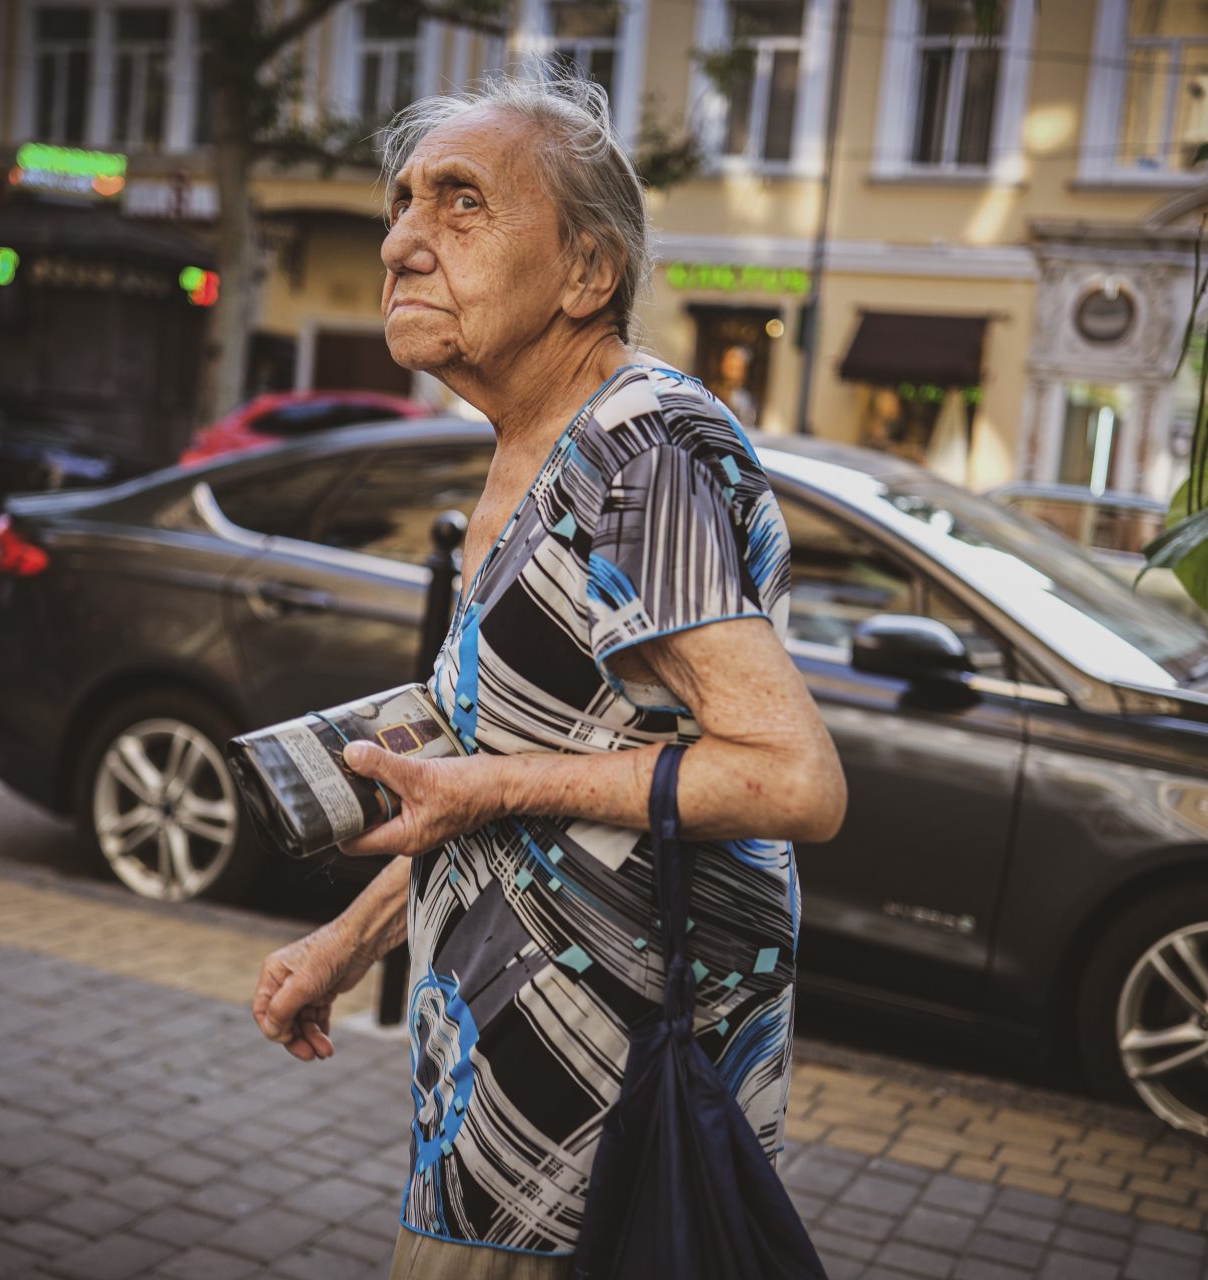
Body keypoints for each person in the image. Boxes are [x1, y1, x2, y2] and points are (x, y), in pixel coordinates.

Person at [251, 75, 846, 1279]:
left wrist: (489, 787)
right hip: (501, 1086)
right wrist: (353, 939)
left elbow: (792, 779)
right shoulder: (537, 447)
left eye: (461, 204)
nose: (403, 239)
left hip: (601, 1117)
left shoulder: (636, 452)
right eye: (405, 201)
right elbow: (522, 764)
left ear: (587, 273)